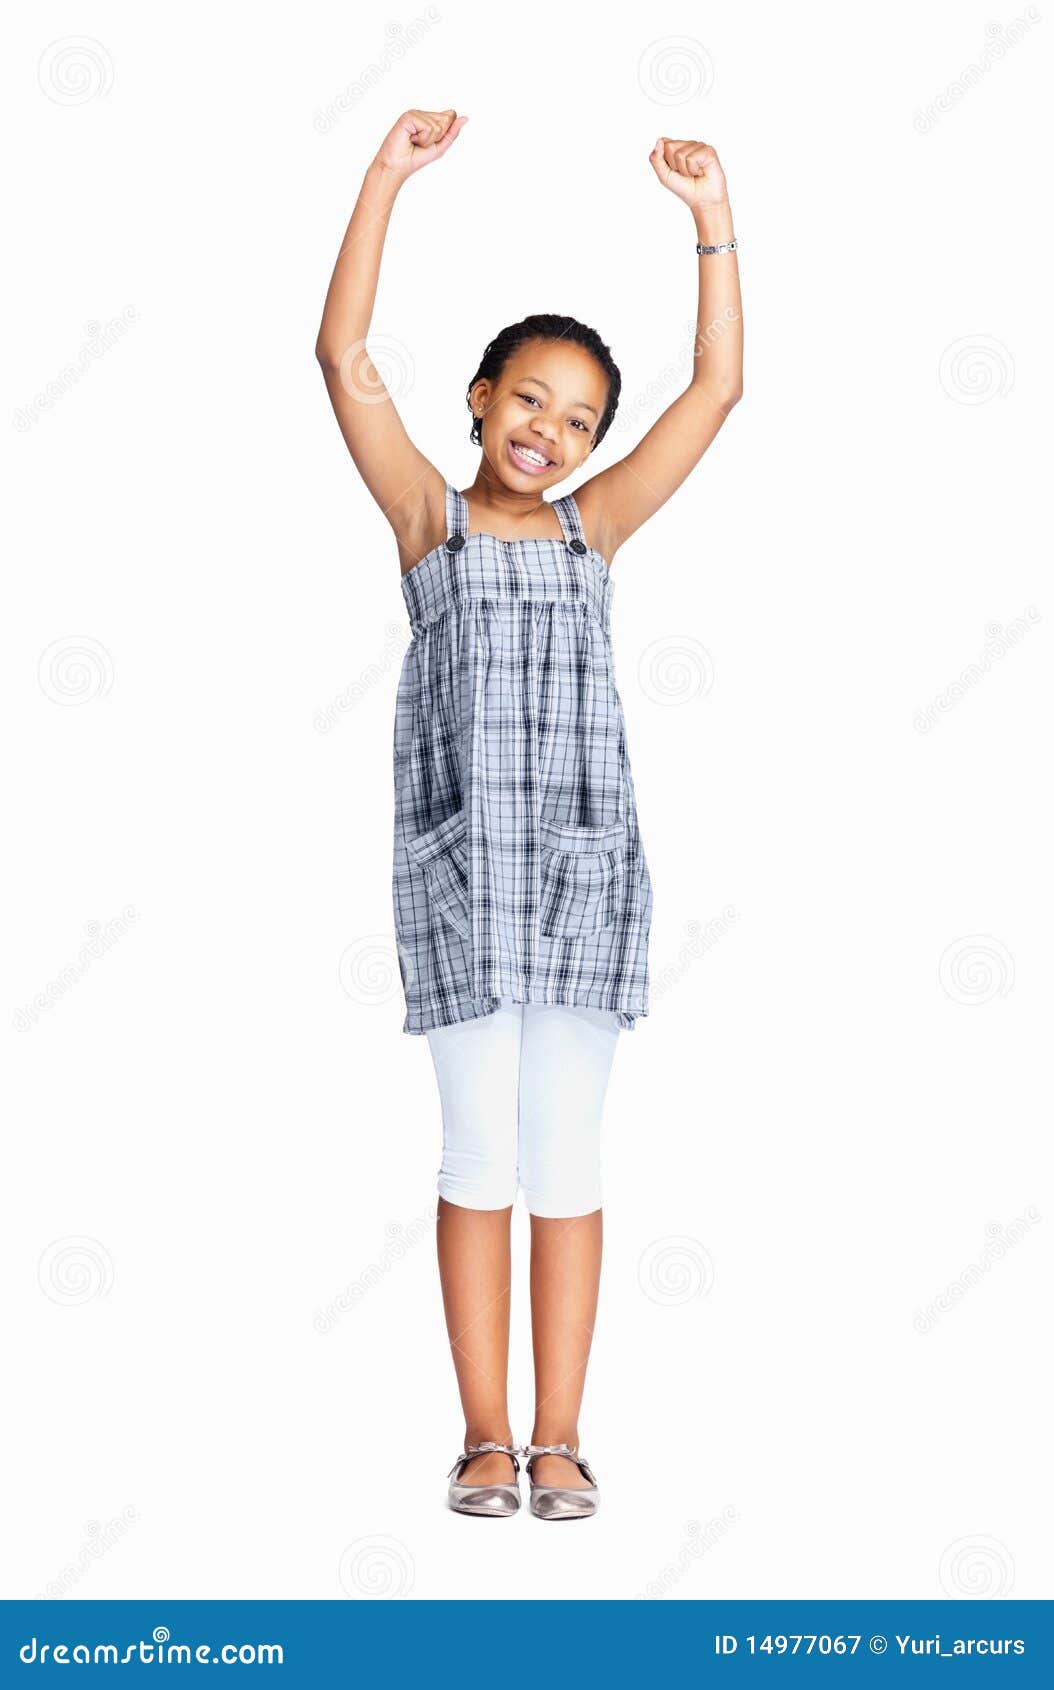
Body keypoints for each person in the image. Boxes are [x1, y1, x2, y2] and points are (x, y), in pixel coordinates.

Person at [315, 108, 743, 1518]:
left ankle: (561, 1437)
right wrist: (386, 177)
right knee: (472, 1157)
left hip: (576, 875)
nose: (546, 432)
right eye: (527, 401)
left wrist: (709, 216)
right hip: (454, 874)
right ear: (480, 398)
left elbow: (716, 388)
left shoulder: (596, 526)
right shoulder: (424, 522)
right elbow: (339, 356)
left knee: (565, 1155)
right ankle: (481, 1436)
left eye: (575, 421)